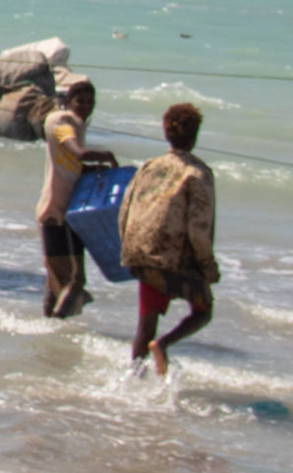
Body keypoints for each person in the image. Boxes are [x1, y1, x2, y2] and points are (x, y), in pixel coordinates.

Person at [120, 103, 218, 375]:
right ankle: (164, 344)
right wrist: (208, 266)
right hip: (178, 261)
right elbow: (199, 228)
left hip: (143, 253)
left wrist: (129, 251)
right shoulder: (198, 174)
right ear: (195, 135)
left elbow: (125, 211)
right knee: (203, 311)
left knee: (145, 323)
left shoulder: (149, 167)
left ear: (166, 132)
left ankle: (134, 378)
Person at [36, 78, 115, 318]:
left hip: (64, 211)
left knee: (56, 281)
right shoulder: (61, 122)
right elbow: (76, 153)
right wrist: (105, 156)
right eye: (80, 101)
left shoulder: (77, 125)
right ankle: (58, 328)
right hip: (58, 211)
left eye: (90, 102)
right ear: (69, 102)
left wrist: (99, 171)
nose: (85, 106)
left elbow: (72, 167)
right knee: (76, 280)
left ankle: (47, 326)